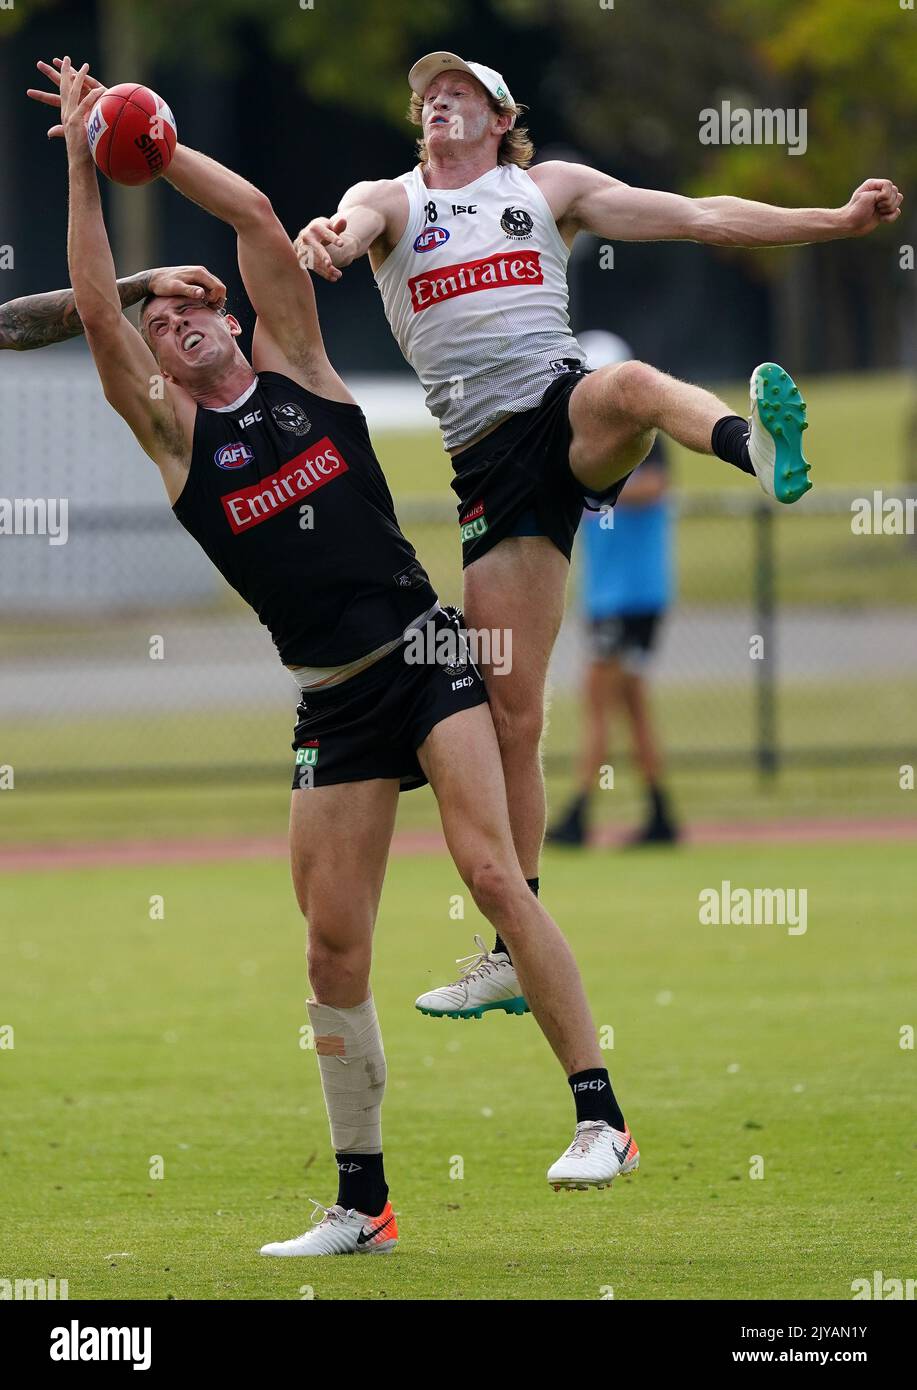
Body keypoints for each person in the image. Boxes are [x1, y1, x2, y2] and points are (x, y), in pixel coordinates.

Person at [25, 57, 640, 1258]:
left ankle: (598, 1115)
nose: (177, 321)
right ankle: (363, 1202)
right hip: (330, 707)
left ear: (229, 315)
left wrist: (141, 136)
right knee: (331, 944)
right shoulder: (173, 441)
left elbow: (256, 218)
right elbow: (94, 311)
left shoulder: (302, 371)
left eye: (192, 307)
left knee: (492, 873)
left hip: (424, 654)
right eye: (163, 322)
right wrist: (81, 172)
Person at [295, 51, 901, 1019]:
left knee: (628, 386)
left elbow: (700, 217)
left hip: (561, 413)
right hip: (487, 469)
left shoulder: (548, 189)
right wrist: (330, 237)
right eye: (426, 96)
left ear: (500, 118)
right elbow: (351, 224)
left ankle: (756, 451)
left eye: (458, 93)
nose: (436, 102)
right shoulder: (391, 199)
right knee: (515, 717)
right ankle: (508, 949)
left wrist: (832, 220)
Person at [548, 332, 679, 848]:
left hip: (627, 596)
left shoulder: (640, 438)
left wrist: (595, 489)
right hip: (618, 594)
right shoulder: (591, 438)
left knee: (598, 698)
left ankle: (580, 813)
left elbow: (655, 486)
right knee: (630, 702)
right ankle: (660, 810)